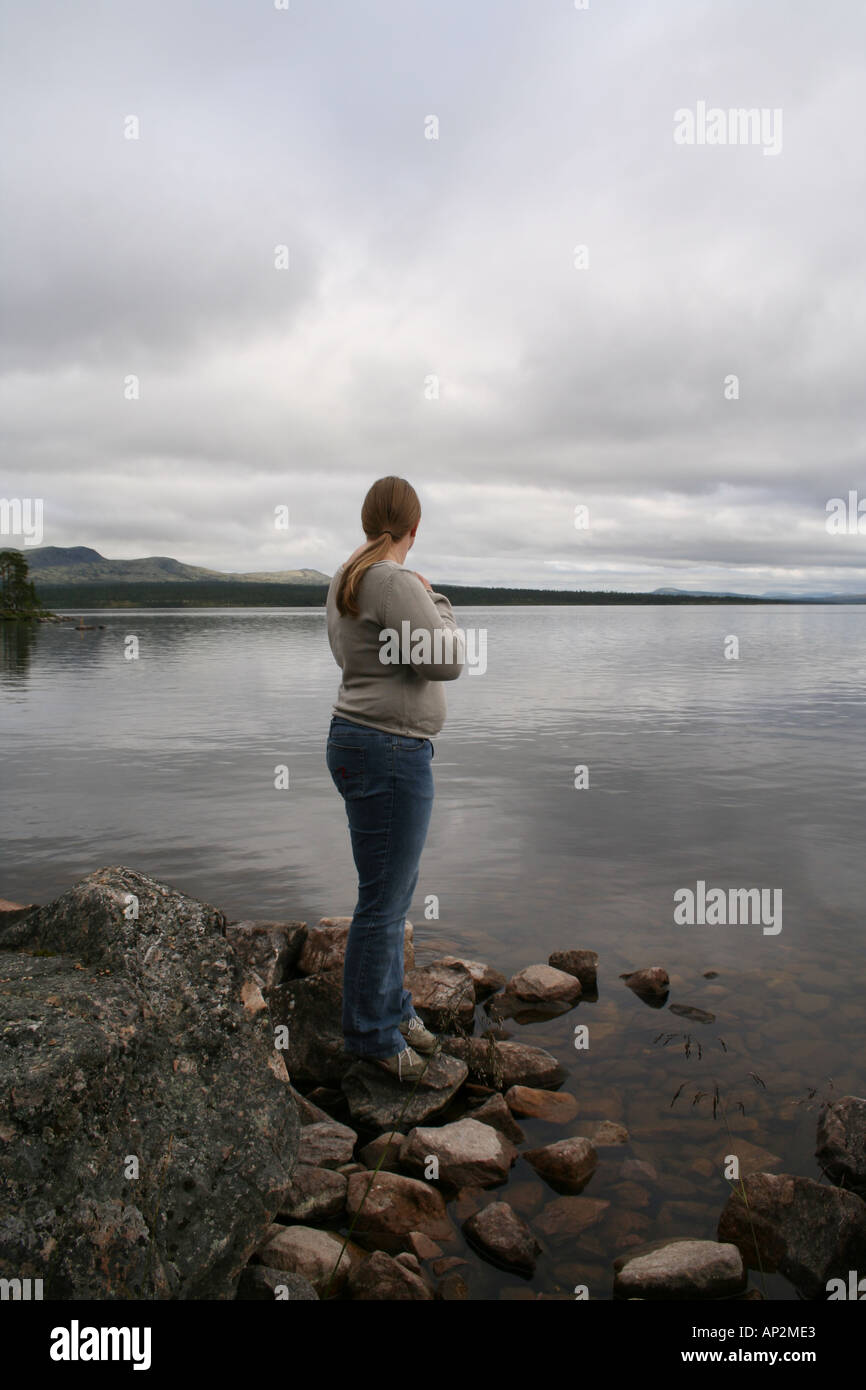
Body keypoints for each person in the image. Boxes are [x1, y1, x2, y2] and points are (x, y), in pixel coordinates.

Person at [325, 476, 464, 1081]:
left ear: (366, 520)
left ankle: (393, 1010)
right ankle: (372, 1037)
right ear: (415, 526)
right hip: (390, 750)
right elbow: (446, 660)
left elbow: (357, 658)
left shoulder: (346, 576)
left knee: (387, 894)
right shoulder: (394, 581)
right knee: (383, 903)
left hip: (356, 739)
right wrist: (439, 602)